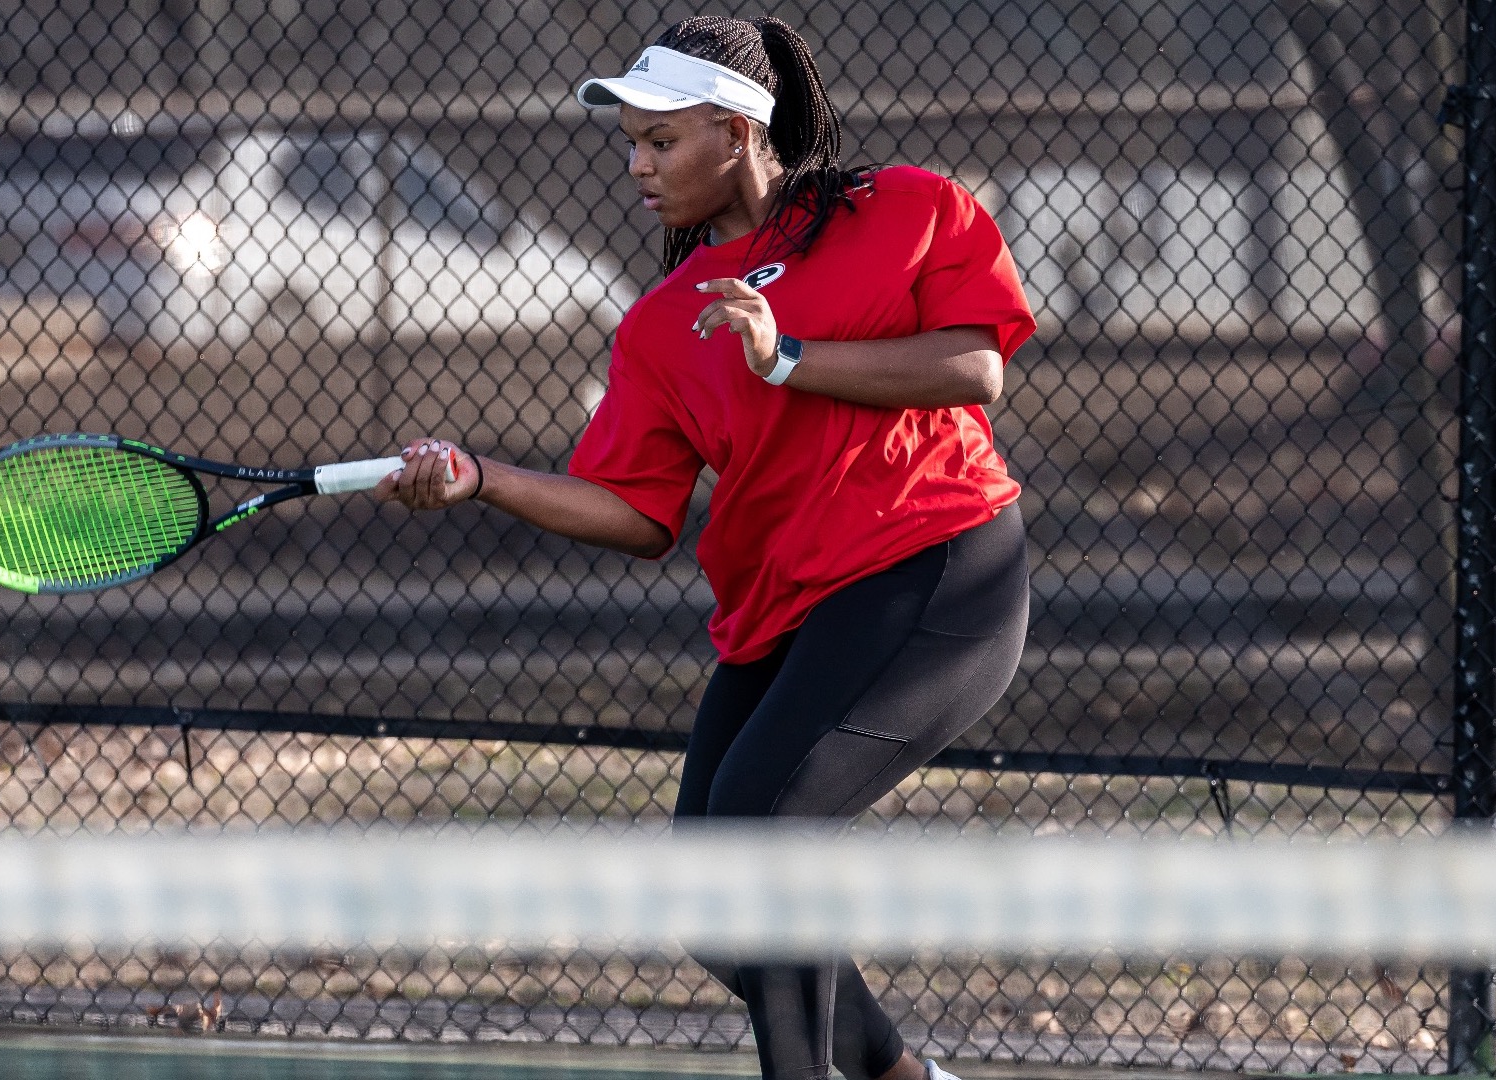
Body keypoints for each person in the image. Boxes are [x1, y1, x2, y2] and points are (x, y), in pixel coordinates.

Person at [378, 15, 1035, 1080]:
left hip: (936, 568)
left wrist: (789, 360)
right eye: (630, 145)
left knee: (762, 848)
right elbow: (636, 514)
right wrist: (484, 479)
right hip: (784, 613)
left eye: (659, 142)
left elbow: (971, 369)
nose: (636, 168)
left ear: (734, 133)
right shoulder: (661, 320)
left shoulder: (907, 208)